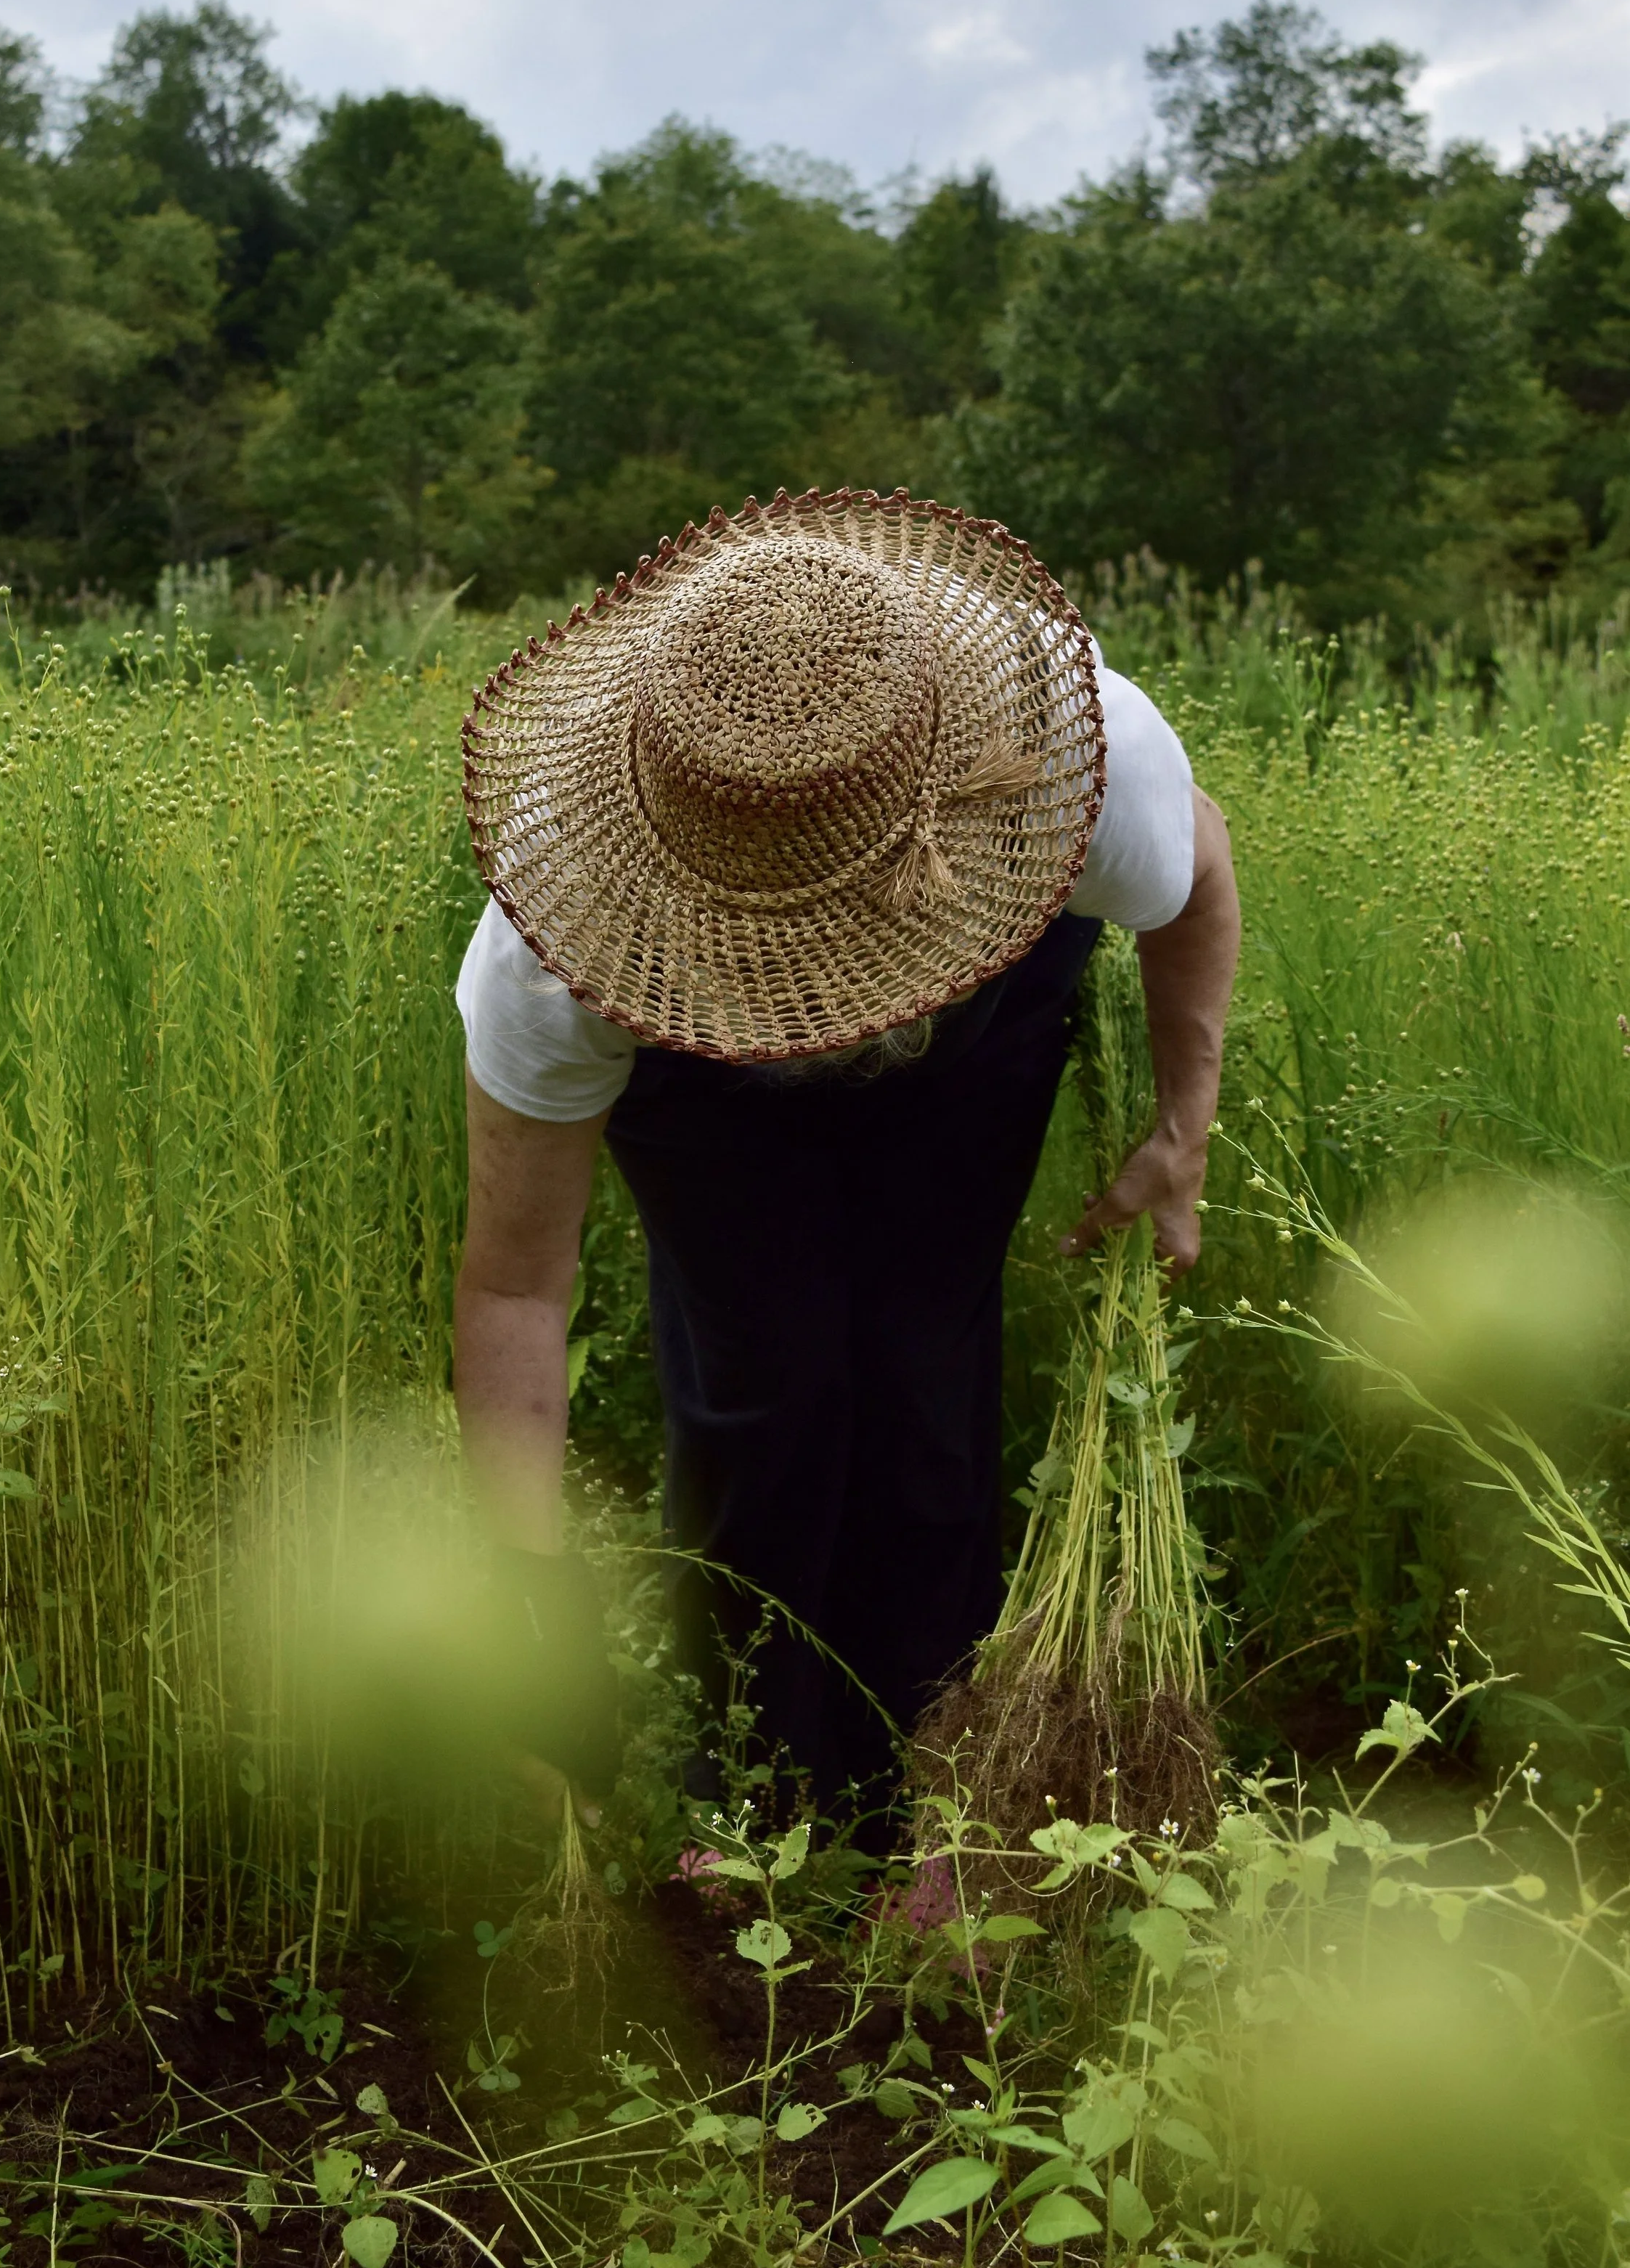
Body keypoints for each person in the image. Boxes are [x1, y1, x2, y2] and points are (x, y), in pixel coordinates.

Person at [452, 489, 1239, 1833]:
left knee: (925, 1369)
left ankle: (925, 1792)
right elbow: (515, 1286)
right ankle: (752, 1802)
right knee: (764, 1377)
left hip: (983, 1014)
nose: (822, 1012)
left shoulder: (1072, 753)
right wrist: (522, 1599)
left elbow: (1199, 877)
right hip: (693, 1074)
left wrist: (1183, 1131)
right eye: (784, 963)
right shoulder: (559, 928)